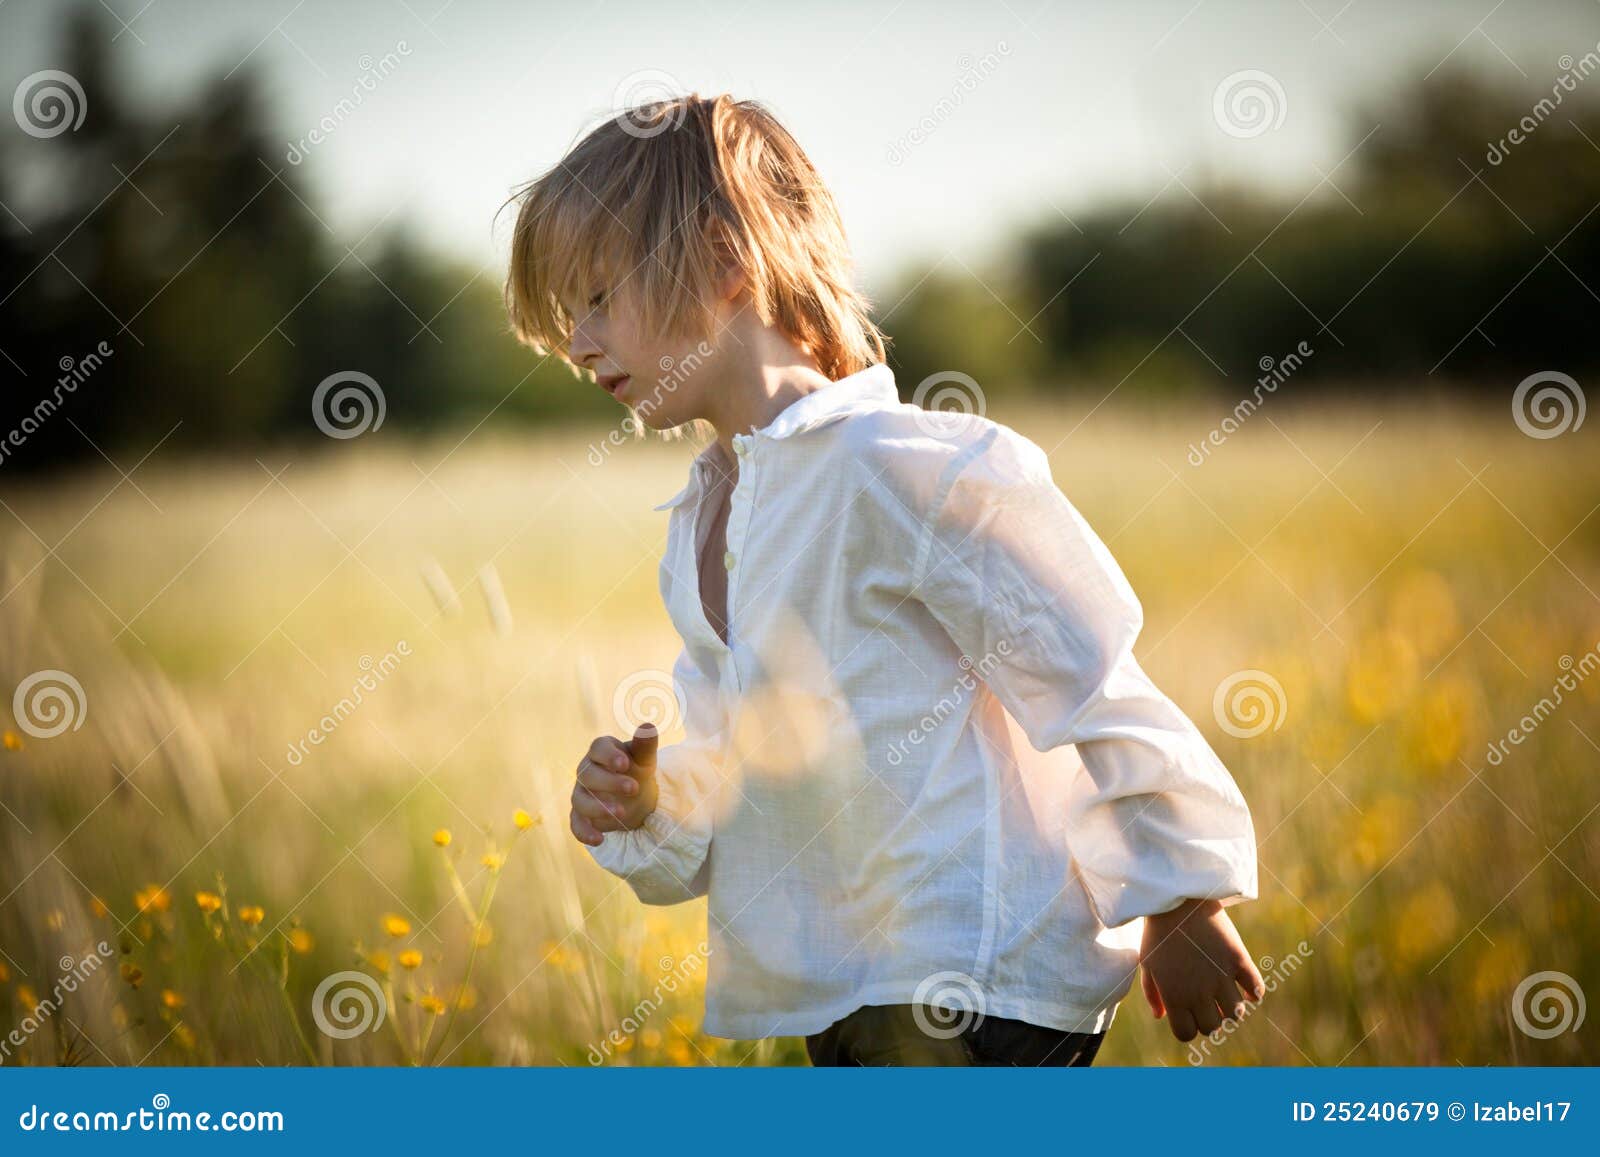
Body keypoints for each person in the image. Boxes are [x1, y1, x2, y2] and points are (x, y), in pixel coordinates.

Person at [504, 92, 1263, 1066]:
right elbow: (748, 762)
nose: (578, 343)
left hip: (981, 971)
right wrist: (651, 803)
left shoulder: (900, 465)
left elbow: (1088, 674)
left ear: (726, 260)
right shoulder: (704, 520)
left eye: (600, 295)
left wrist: (1182, 895)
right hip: (845, 980)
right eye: (571, 314)